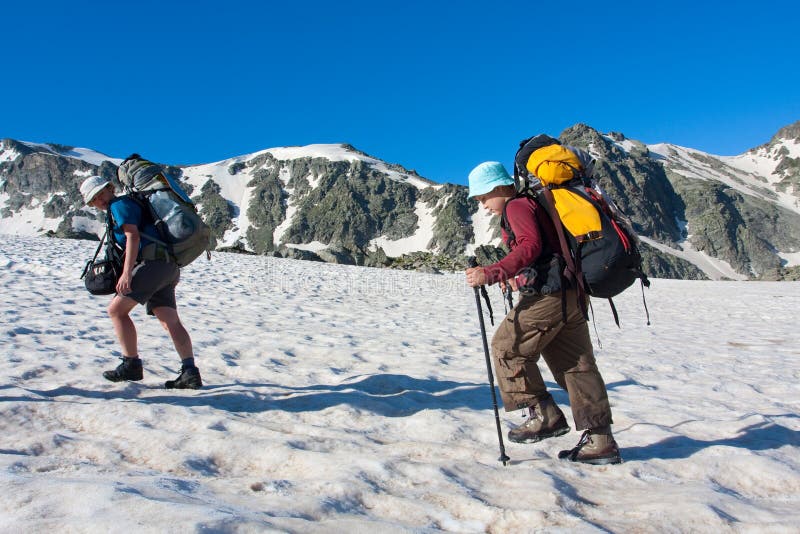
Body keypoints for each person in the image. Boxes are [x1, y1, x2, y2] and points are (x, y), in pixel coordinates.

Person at [464, 161, 620, 465]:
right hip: (572, 293)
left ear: (498, 187)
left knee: (506, 349)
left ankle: (545, 415)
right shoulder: (534, 203)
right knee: (576, 366)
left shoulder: (516, 206)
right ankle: (601, 440)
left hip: (549, 296)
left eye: (483, 198)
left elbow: (530, 246)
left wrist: (493, 272)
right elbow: (544, 250)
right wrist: (516, 275)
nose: (483, 206)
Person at [80, 175, 203, 389]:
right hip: (168, 266)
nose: (99, 201)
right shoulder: (131, 204)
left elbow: (132, 237)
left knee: (116, 311)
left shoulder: (119, 205)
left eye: (100, 194)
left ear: (110, 188)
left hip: (152, 264)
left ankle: (132, 364)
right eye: (94, 199)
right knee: (169, 320)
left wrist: (127, 274)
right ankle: (190, 372)